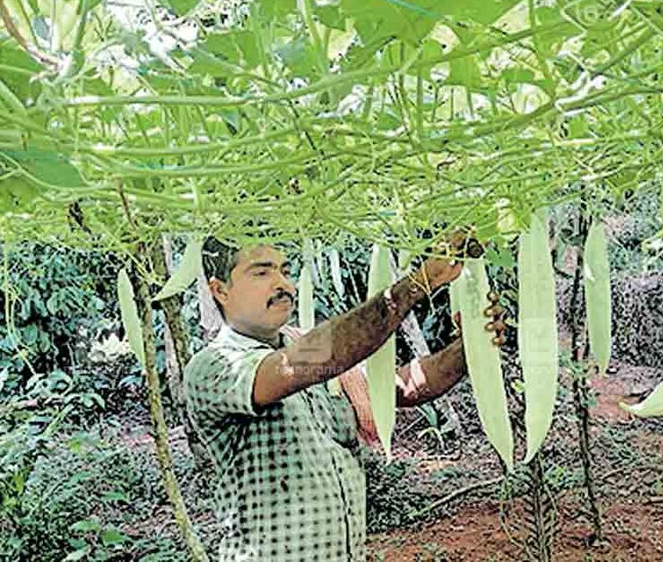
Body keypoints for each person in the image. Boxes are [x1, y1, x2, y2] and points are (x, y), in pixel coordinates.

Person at [185, 232, 506, 561]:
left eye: (284, 270)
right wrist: (416, 284)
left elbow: (402, 386)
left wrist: (470, 345)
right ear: (220, 290)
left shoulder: (303, 345)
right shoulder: (213, 367)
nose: (284, 284)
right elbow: (318, 357)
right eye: (263, 272)